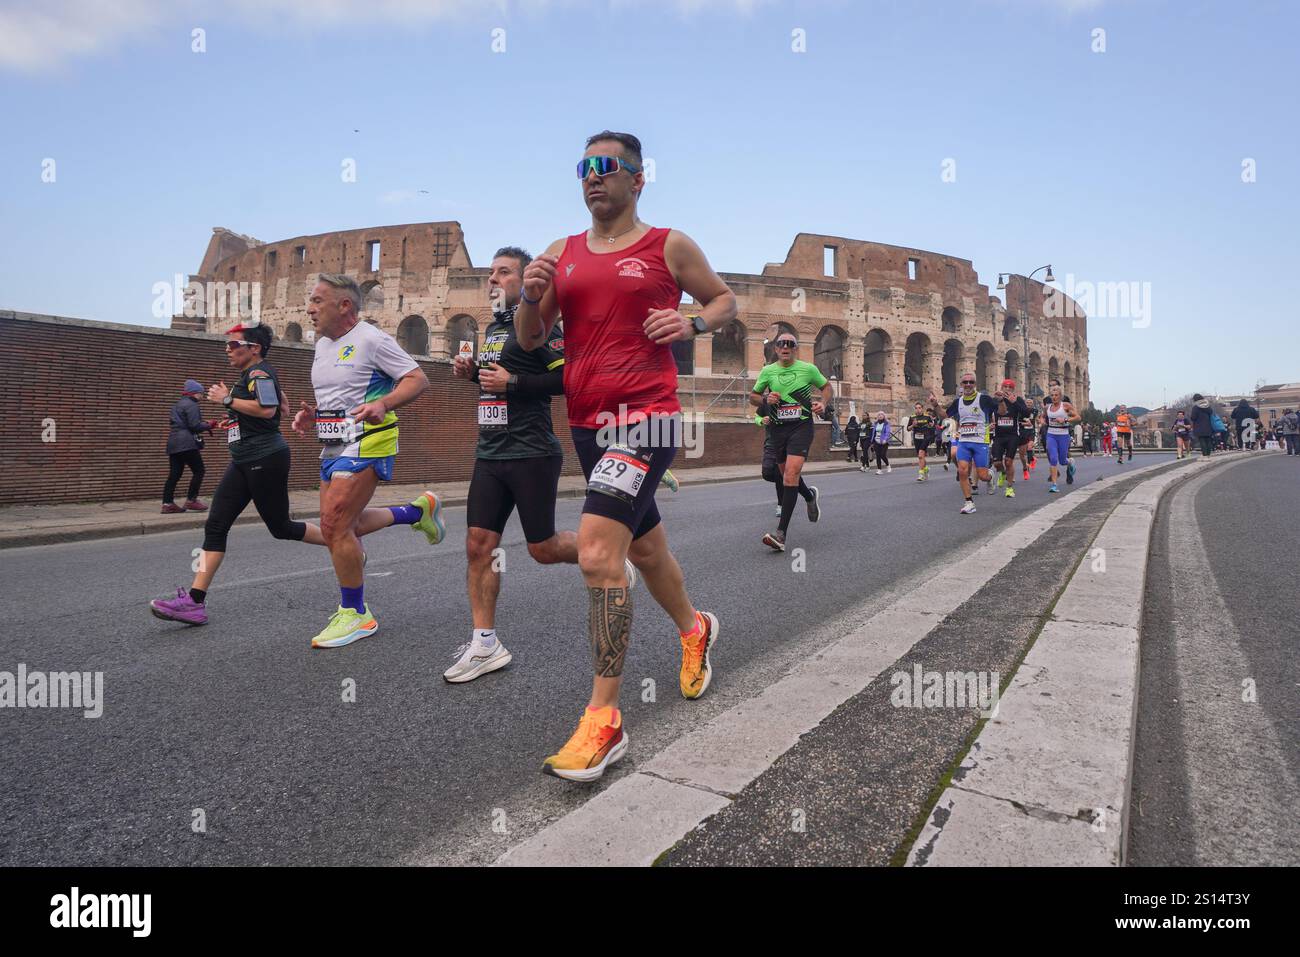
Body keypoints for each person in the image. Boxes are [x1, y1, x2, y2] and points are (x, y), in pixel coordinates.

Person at [515, 130, 734, 781]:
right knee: (645, 550)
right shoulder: (562, 252)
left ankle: (604, 720)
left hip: (644, 420)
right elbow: (531, 340)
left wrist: (692, 322)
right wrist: (529, 296)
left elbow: (724, 300)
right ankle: (694, 628)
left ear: (638, 179)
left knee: (597, 553)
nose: (593, 176)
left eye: (608, 167)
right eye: (584, 167)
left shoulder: (667, 244)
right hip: (587, 424)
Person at [445, 247, 636, 683]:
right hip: (490, 451)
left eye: (503, 272)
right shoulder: (492, 326)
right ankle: (485, 643)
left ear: (526, 281)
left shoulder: (542, 327)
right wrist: (472, 372)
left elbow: (569, 379)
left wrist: (512, 381)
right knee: (478, 545)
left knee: (542, 548)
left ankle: (610, 559)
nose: (493, 280)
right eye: (491, 273)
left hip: (532, 452)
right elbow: (496, 378)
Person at [291, 274, 444, 649]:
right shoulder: (321, 345)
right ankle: (417, 512)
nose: (308, 309)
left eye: (317, 300)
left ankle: (356, 614)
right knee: (341, 528)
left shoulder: (372, 339)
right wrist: (316, 416)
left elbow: (417, 379)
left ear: (345, 305)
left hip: (370, 440)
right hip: (333, 444)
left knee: (334, 526)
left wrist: (383, 403)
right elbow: (340, 397)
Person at [750, 334, 828, 551]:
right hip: (777, 430)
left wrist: (823, 403)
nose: (786, 347)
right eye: (782, 344)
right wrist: (766, 399)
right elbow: (753, 397)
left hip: (801, 426)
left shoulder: (808, 369)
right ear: (775, 349)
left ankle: (781, 534)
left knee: (791, 474)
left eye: (790, 344)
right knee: (786, 476)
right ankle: (809, 495)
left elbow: (827, 387)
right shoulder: (768, 371)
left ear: (796, 349)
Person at [933, 373, 1001, 514]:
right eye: (965, 382)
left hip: (980, 441)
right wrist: (935, 406)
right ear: (961, 385)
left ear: (975, 384)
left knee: (982, 475)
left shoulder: (984, 399)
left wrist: (1001, 401)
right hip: (964, 441)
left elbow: (1002, 411)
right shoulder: (958, 402)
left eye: (971, 382)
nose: (968, 384)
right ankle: (969, 502)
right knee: (962, 471)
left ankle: (990, 476)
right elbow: (945, 416)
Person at [161, 378, 214, 514]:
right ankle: (191, 500)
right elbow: (194, 426)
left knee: (174, 474)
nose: (202, 396)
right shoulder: (192, 405)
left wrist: (203, 423)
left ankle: (167, 503)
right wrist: (209, 425)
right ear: (195, 393)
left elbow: (182, 423)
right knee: (199, 470)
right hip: (187, 443)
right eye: (201, 393)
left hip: (173, 442)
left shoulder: (177, 405)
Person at [989, 378, 1029, 498]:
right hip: (998, 436)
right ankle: (1002, 473)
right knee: (996, 463)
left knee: (1009, 461)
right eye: (1005, 387)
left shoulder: (1018, 399)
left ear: (1013, 389)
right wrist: (988, 425)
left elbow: (1027, 414)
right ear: (1001, 388)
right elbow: (987, 412)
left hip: (1012, 435)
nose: (1007, 389)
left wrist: (1015, 402)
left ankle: (1009, 488)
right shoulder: (996, 399)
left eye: (1010, 387)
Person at [1041, 381, 1081, 493]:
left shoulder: (1066, 405)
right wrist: (1042, 421)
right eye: (1052, 395)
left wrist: (1065, 419)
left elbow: (1078, 417)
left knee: (1063, 461)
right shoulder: (1047, 407)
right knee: (1053, 459)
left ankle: (1070, 462)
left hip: (1063, 435)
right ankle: (1054, 484)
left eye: (1056, 395)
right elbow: (1042, 417)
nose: (1054, 397)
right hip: (1051, 434)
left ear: (1060, 396)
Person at [906, 401, 938, 481]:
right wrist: (913, 425)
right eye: (916, 408)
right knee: (921, 457)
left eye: (919, 408)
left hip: (926, 437)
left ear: (922, 409)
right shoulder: (912, 417)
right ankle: (926, 468)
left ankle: (921, 474)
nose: (918, 410)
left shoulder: (927, 417)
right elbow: (908, 429)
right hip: (917, 438)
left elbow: (933, 426)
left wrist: (931, 425)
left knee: (920, 455)